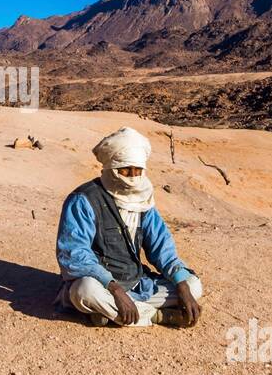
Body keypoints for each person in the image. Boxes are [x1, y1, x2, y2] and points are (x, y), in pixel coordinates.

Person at [55, 127, 203, 327]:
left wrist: (182, 285)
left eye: (138, 170)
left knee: (193, 286)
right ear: (111, 168)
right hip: (101, 284)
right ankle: (156, 317)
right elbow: (74, 254)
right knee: (85, 291)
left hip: (136, 282)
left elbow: (162, 249)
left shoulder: (143, 201)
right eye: (125, 169)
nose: (132, 176)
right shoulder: (83, 200)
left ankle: (109, 313)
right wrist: (115, 290)